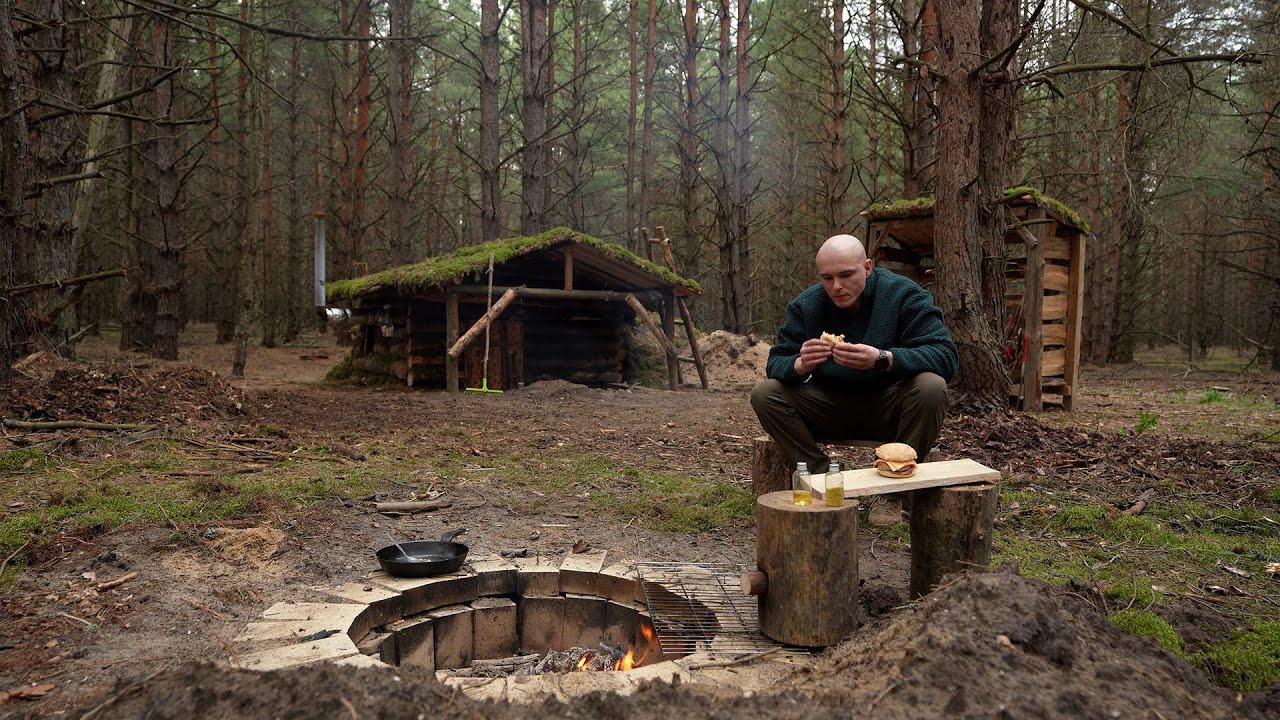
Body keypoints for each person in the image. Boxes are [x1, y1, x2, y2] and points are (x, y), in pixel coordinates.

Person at [750, 234, 958, 474]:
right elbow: (775, 363)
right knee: (764, 394)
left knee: (931, 387)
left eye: (846, 275)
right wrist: (799, 364)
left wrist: (883, 359)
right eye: (827, 278)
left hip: (890, 409)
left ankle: (895, 485)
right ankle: (821, 476)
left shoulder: (903, 295)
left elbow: (945, 356)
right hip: (829, 408)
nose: (836, 286)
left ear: (867, 268)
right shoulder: (806, 306)